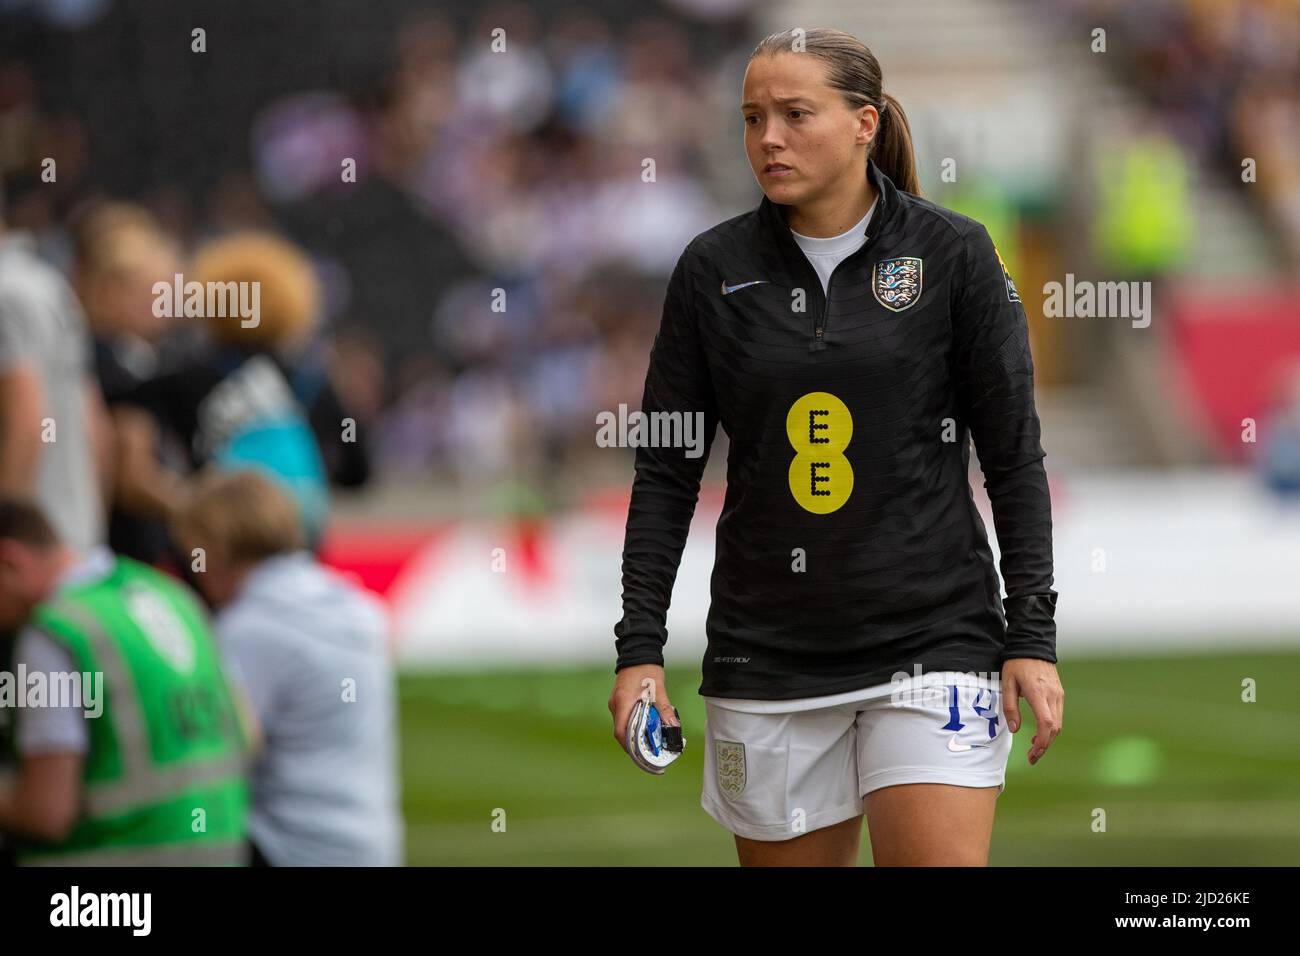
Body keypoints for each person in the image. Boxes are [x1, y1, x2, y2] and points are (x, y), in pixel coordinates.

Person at [608, 28, 1064, 867]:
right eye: (752, 118)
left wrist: (1031, 635)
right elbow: (666, 471)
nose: (767, 139)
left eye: (794, 114)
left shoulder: (955, 254)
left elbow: (1013, 456)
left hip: (937, 645)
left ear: (864, 123)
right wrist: (639, 650)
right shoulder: (710, 270)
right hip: (767, 655)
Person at [170, 468, 404, 866]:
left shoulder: (250, 627)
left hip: (292, 848)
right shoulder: (352, 604)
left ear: (217, 548)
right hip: (374, 845)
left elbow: (225, 749)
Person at [0, 497, 249, 865]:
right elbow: (249, 734)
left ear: (10, 562)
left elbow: (46, 813)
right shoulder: (171, 595)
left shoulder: (53, 632)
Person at [0, 181, 108, 559]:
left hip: (28, 557)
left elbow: (27, 420)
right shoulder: (47, 283)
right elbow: (94, 424)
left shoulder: (6, 293)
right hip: (72, 542)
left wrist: (9, 541)